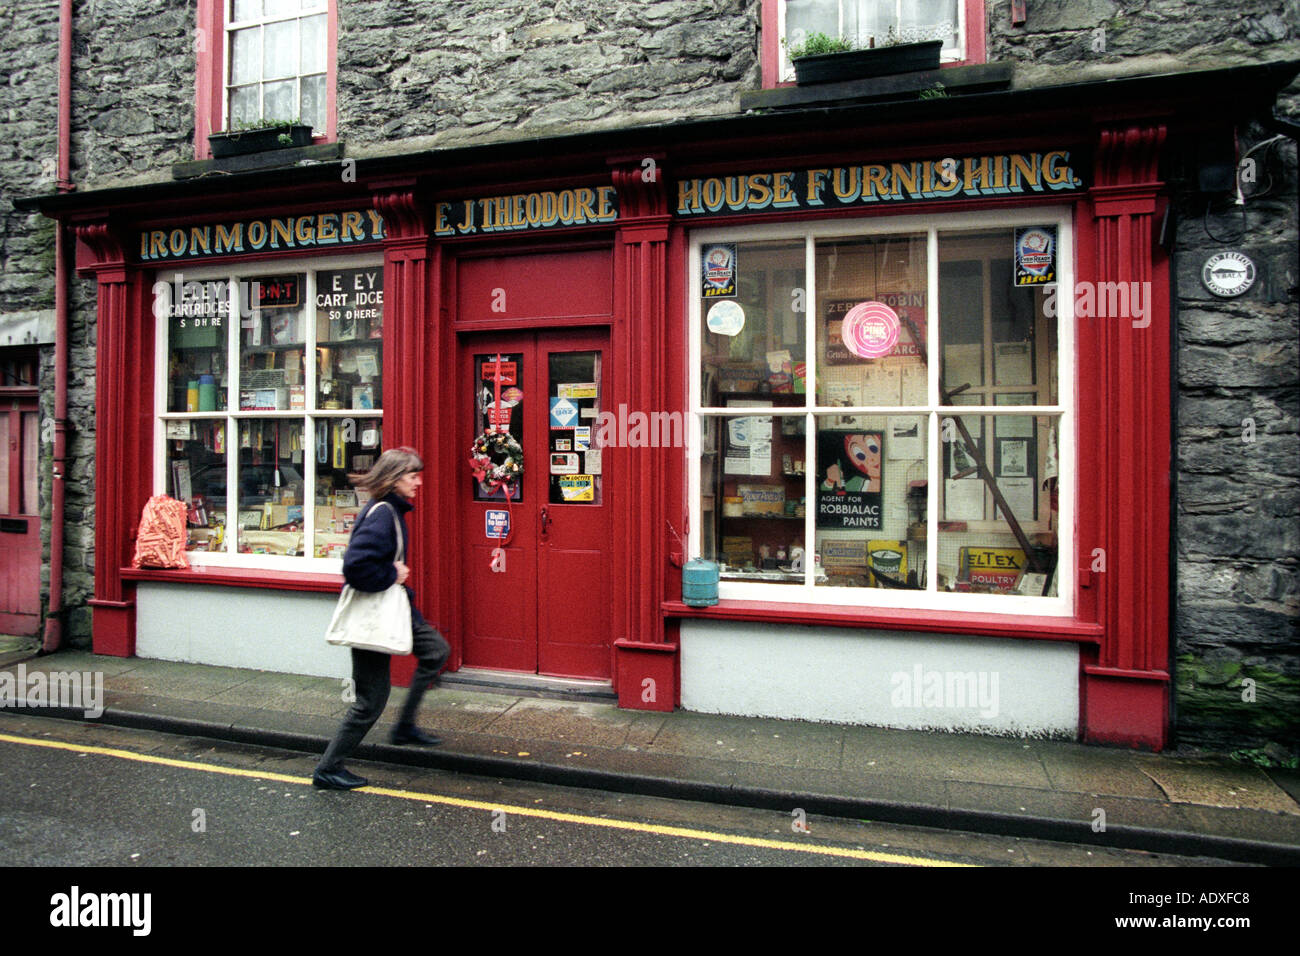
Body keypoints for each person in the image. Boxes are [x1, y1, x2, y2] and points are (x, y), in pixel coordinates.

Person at [313, 446, 451, 791]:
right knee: (370, 700)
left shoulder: (391, 511)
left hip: (396, 609)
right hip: (374, 616)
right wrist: (393, 572)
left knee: (436, 651)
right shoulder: (381, 515)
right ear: (393, 478)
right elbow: (356, 569)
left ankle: (404, 727)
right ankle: (328, 768)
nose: (418, 482)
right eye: (412, 475)